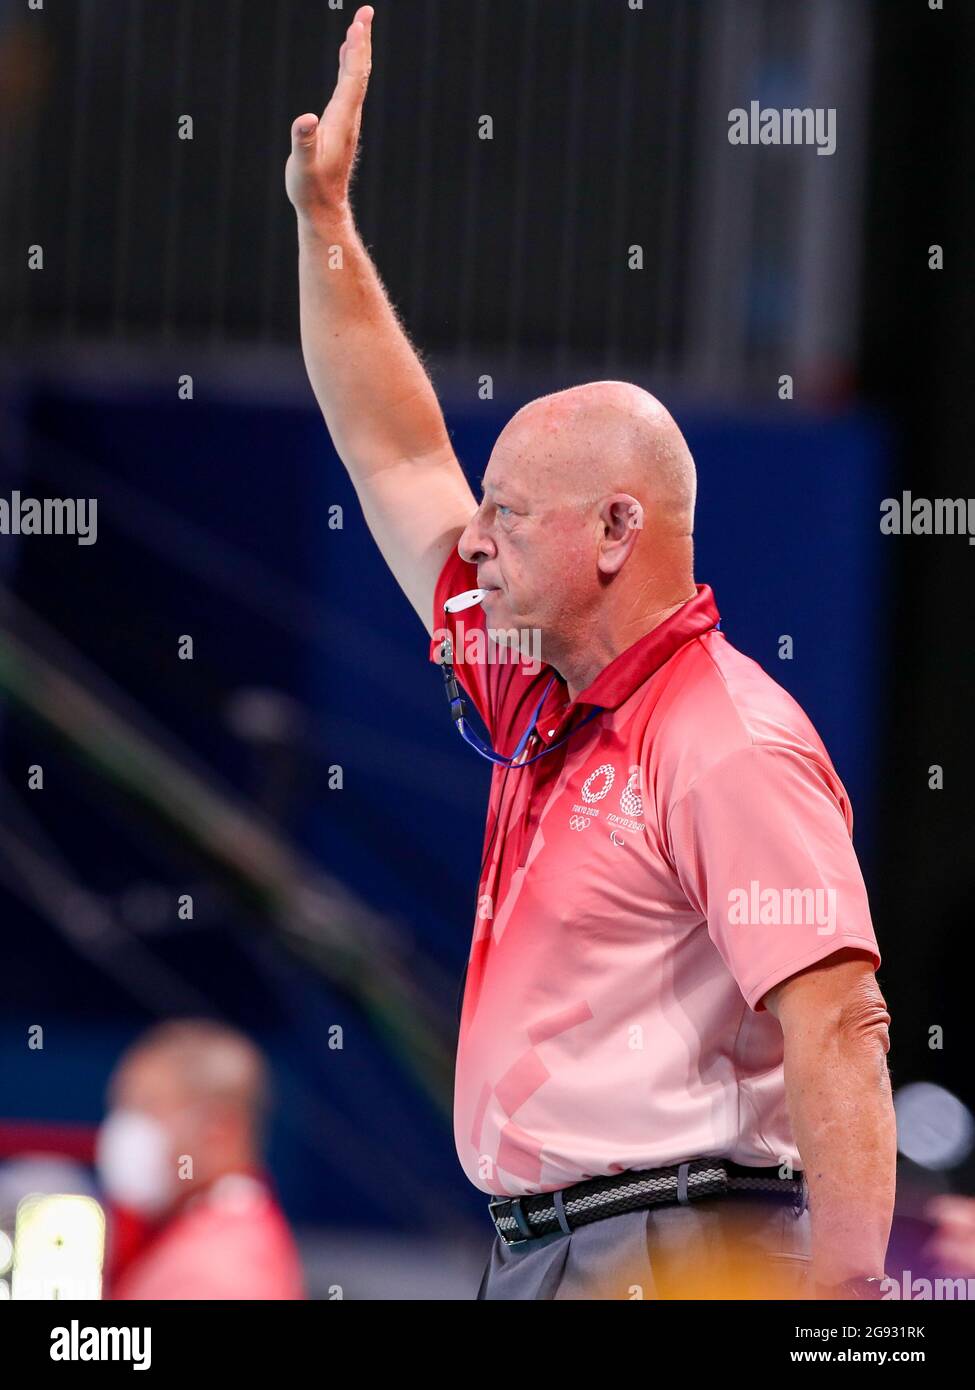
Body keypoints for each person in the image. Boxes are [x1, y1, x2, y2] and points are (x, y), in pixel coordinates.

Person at [286, 6, 895, 1300]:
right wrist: (324, 222)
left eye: (507, 512)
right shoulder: (531, 674)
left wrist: (849, 1317)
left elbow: (837, 1024)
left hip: (670, 1249)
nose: (477, 539)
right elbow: (394, 454)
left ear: (618, 528)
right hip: (553, 1249)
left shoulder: (724, 737)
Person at [97, 1019, 304, 1301]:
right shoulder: (197, 1234)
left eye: (147, 1108)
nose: (126, 1130)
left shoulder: (225, 1267)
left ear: (220, 1131)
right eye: (122, 1109)